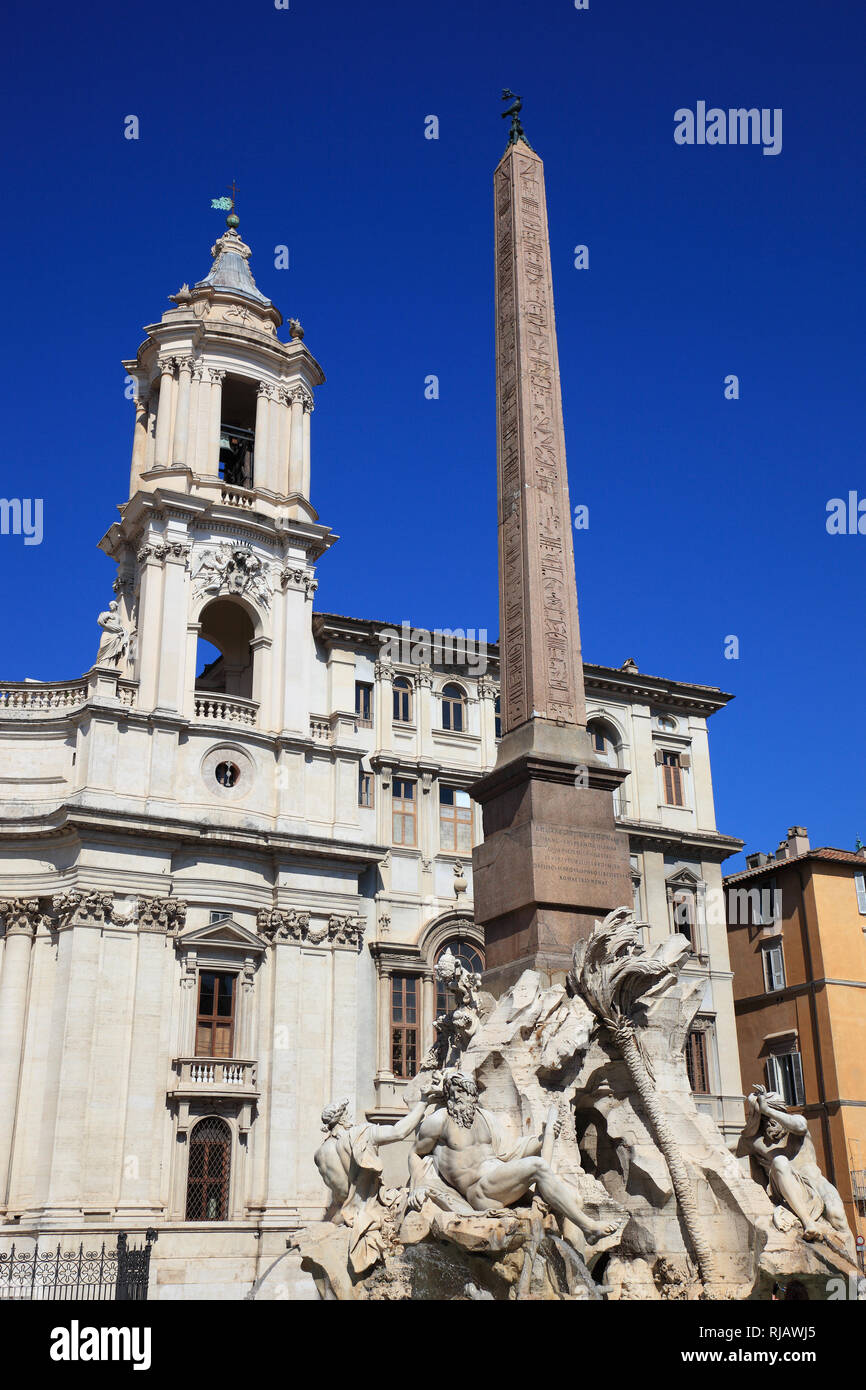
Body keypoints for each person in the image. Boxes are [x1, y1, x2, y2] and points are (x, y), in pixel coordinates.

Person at [408, 1071, 618, 1242]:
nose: (464, 1098)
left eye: (469, 1093)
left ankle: (581, 1247)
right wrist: (417, 1184)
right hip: (480, 1192)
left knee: (574, 1199)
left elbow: (511, 1151)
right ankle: (588, 1227)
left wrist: (544, 1137)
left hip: (500, 1180)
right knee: (537, 1166)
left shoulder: (485, 1118)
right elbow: (416, 1153)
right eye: (459, 1092)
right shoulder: (439, 1121)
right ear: (450, 1094)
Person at [742, 1084, 853, 1251]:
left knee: (837, 1215)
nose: (769, 1124)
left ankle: (855, 1272)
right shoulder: (756, 1143)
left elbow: (800, 1126)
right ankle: (808, 1222)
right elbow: (722, 1147)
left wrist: (768, 1110)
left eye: (772, 1118)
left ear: (780, 1112)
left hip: (815, 1182)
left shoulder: (797, 1125)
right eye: (764, 1120)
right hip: (788, 1191)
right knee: (779, 1161)